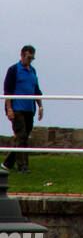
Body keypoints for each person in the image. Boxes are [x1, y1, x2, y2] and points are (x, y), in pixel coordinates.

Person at [3, 45, 43, 173]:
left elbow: (36, 90)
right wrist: (9, 109)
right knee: (21, 135)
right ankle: (23, 166)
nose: (30, 60)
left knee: (24, 137)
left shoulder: (33, 71)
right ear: (22, 55)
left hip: (29, 109)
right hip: (17, 108)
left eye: (32, 58)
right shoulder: (14, 70)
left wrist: (40, 106)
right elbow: (7, 91)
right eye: (28, 57)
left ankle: (7, 163)